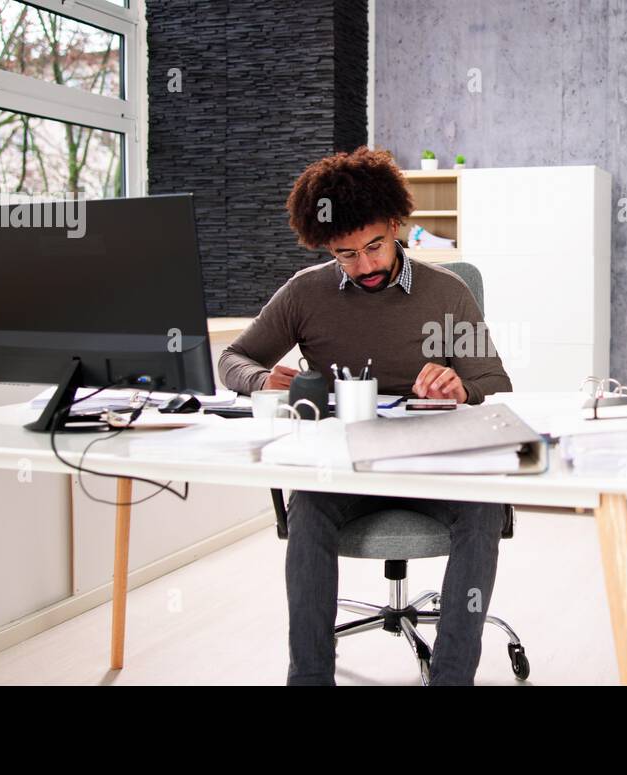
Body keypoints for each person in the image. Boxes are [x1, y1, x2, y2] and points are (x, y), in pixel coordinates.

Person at [218, 146, 513, 685]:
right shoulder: (305, 294)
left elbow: (494, 378)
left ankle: (451, 678)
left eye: (374, 246)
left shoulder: (446, 293)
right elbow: (232, 359)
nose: (364, 265)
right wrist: (263, 381)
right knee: (308, 510)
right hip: (345, 462)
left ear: (397, 226)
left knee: (483, 509)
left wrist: (460, 385)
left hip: (432, 461)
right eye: (345, 254)